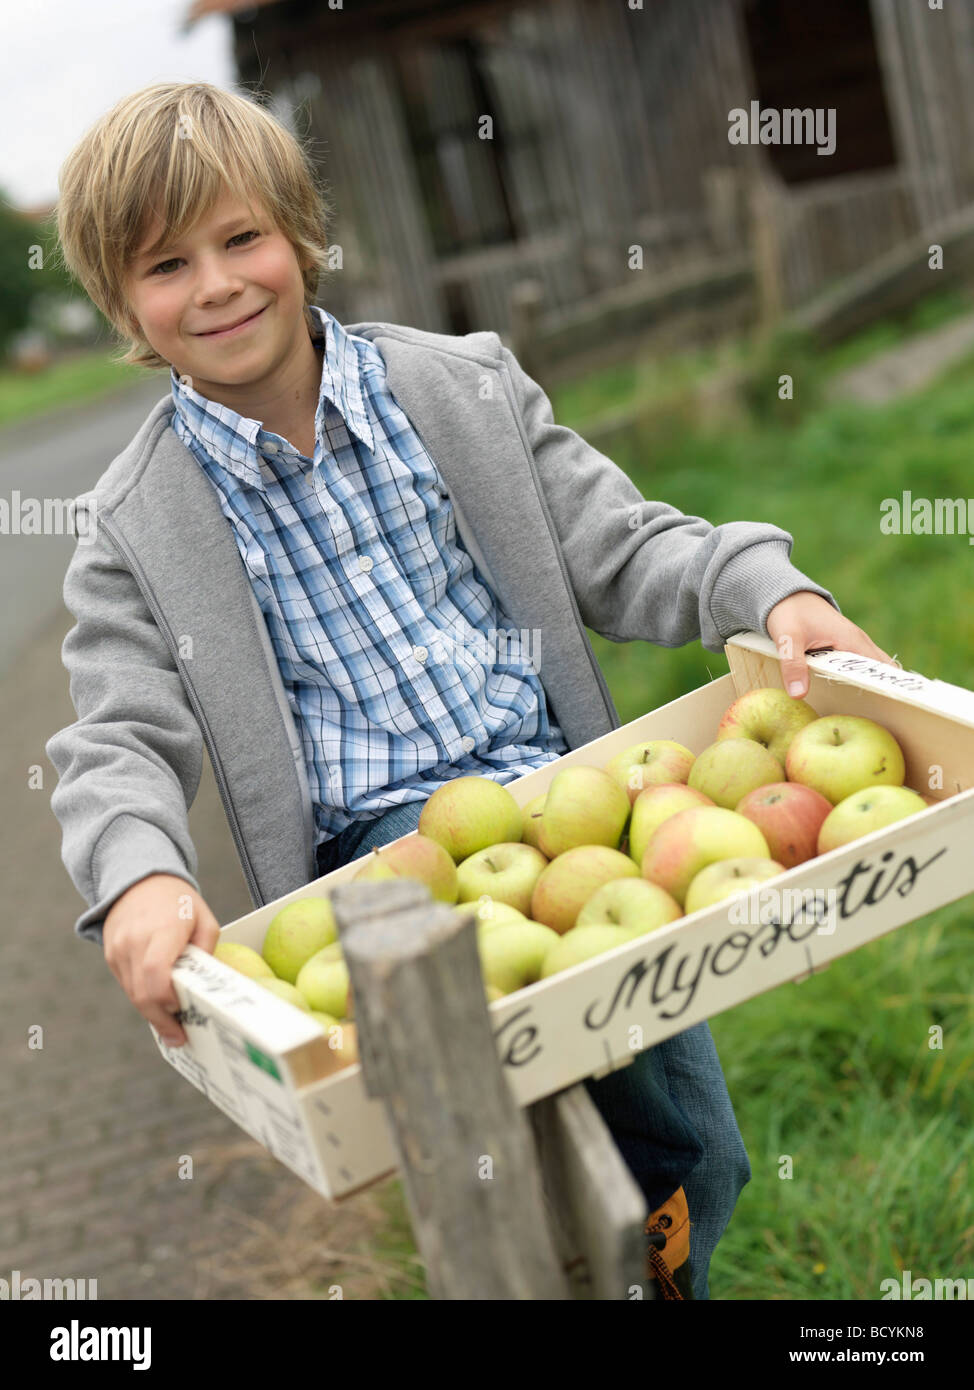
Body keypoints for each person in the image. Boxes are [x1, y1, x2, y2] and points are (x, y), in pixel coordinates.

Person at [46, 81, 897, 1300]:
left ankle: (654, 1278)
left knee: (688, 1152)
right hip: (387, 869)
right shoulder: (140, 525)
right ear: (121, 303)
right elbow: (119, 730)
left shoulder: (458, 392)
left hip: (579, 807)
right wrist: (138, 871)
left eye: (242, 238)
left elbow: (621, 543)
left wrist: (762, 591)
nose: (220, 284)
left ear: (300, 232)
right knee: (508, 1175)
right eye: (167, 265)